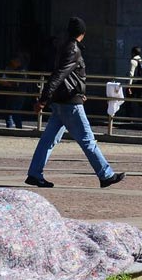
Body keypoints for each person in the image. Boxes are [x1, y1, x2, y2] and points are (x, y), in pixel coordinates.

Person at [25, 17, 125, 189]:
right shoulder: (73, 49)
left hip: (62, 101)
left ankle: (35, 173)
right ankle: (106, 175)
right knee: (87, 140)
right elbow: (60, 75)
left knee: (48, 140)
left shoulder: (65, 47)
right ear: (83, 33)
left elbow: (67, 76)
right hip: (69, 103)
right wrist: (43, 99)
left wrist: (52, 97)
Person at [126, 46, 142, 119]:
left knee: (128, 101)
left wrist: (129, 86)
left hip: (135, 84)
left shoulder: (133, 61)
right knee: (141, 102)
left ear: (133, 52)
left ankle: (128, 118)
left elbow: (131, 74)